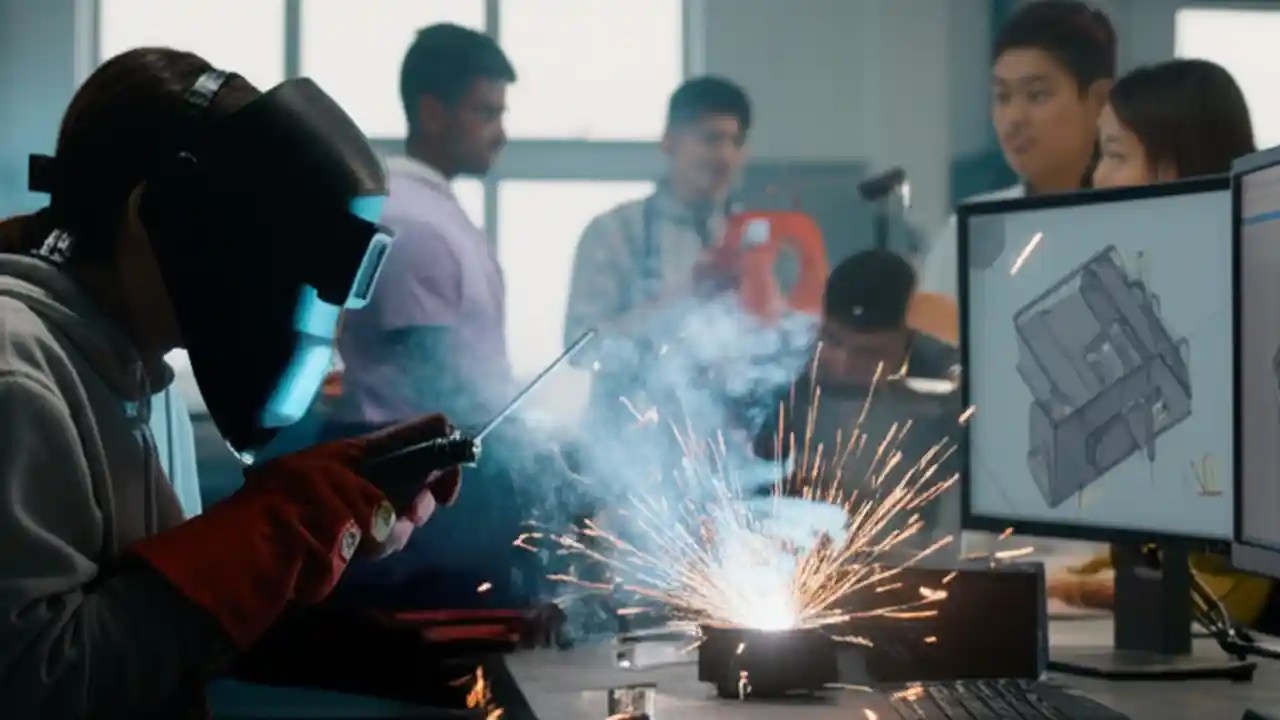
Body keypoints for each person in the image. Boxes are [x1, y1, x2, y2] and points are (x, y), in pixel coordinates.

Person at [0, 48, 464, 717]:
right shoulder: (19, 372)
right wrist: (271, 528)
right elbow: (33, 685)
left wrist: (395, 649)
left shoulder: (136, 370)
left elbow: (159, 627)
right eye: (269, 249)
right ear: (158, 214)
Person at [1052, 58, 1273, 628]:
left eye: (1115, 156)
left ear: (1173, 168)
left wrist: (1092, 589)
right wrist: (1071, 576)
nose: (1097, 178)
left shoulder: (1244, 328)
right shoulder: (1173, 309)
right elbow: (1170, 538)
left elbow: (1238, 589)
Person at [327, 24, 536, 607]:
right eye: (486, 112)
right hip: (412, 476)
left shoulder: (430, 209)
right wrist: (535, 445)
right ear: (432, 111)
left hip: (428, 470)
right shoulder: (415, 222)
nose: (500, 132)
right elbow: (441, 373)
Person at [564, 76, 752, 429]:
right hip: (625, 449)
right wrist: (684, 294)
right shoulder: (615, 233)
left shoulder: (751, 239)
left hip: (724, 449)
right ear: (669, 141)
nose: (724, 155)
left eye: (735, 141)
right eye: (710, 138)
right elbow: (581, 351)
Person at [753, 250, 961, 544]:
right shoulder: (789, 368)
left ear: (907, 340)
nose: (843, 363)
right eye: (833, 340)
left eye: (868, 354)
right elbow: (748, 467)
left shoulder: (947, 388)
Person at [919, 0, 1116, 297]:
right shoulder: (971, 231)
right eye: (1002, 96)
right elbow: (929, 342)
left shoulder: (1145, 219)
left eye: (1036, 95)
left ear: (1099, 101)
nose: (1013, 118)